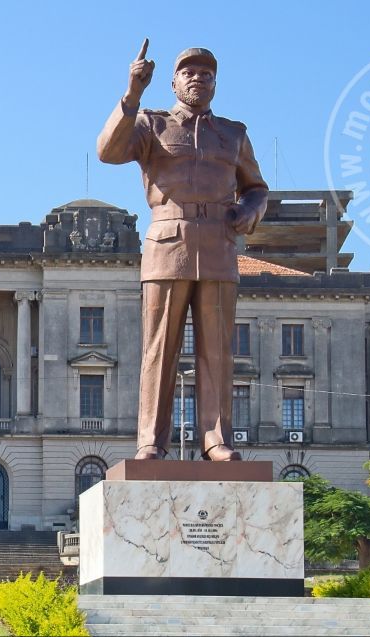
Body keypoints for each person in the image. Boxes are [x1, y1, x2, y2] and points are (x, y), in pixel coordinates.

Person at [97, 41, 268, 461]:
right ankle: (151, 441)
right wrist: (132, 94)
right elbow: (108, 151)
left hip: (218, 244)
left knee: (217, 351)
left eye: (206, 73)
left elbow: (256, 186)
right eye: (189, 72)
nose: (198, 78)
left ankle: (216, 439)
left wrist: (250, 208)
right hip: (167, 242)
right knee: (160, 348)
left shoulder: (233, 134)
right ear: (173, 82)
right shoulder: (151, 124)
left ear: (215, 84)